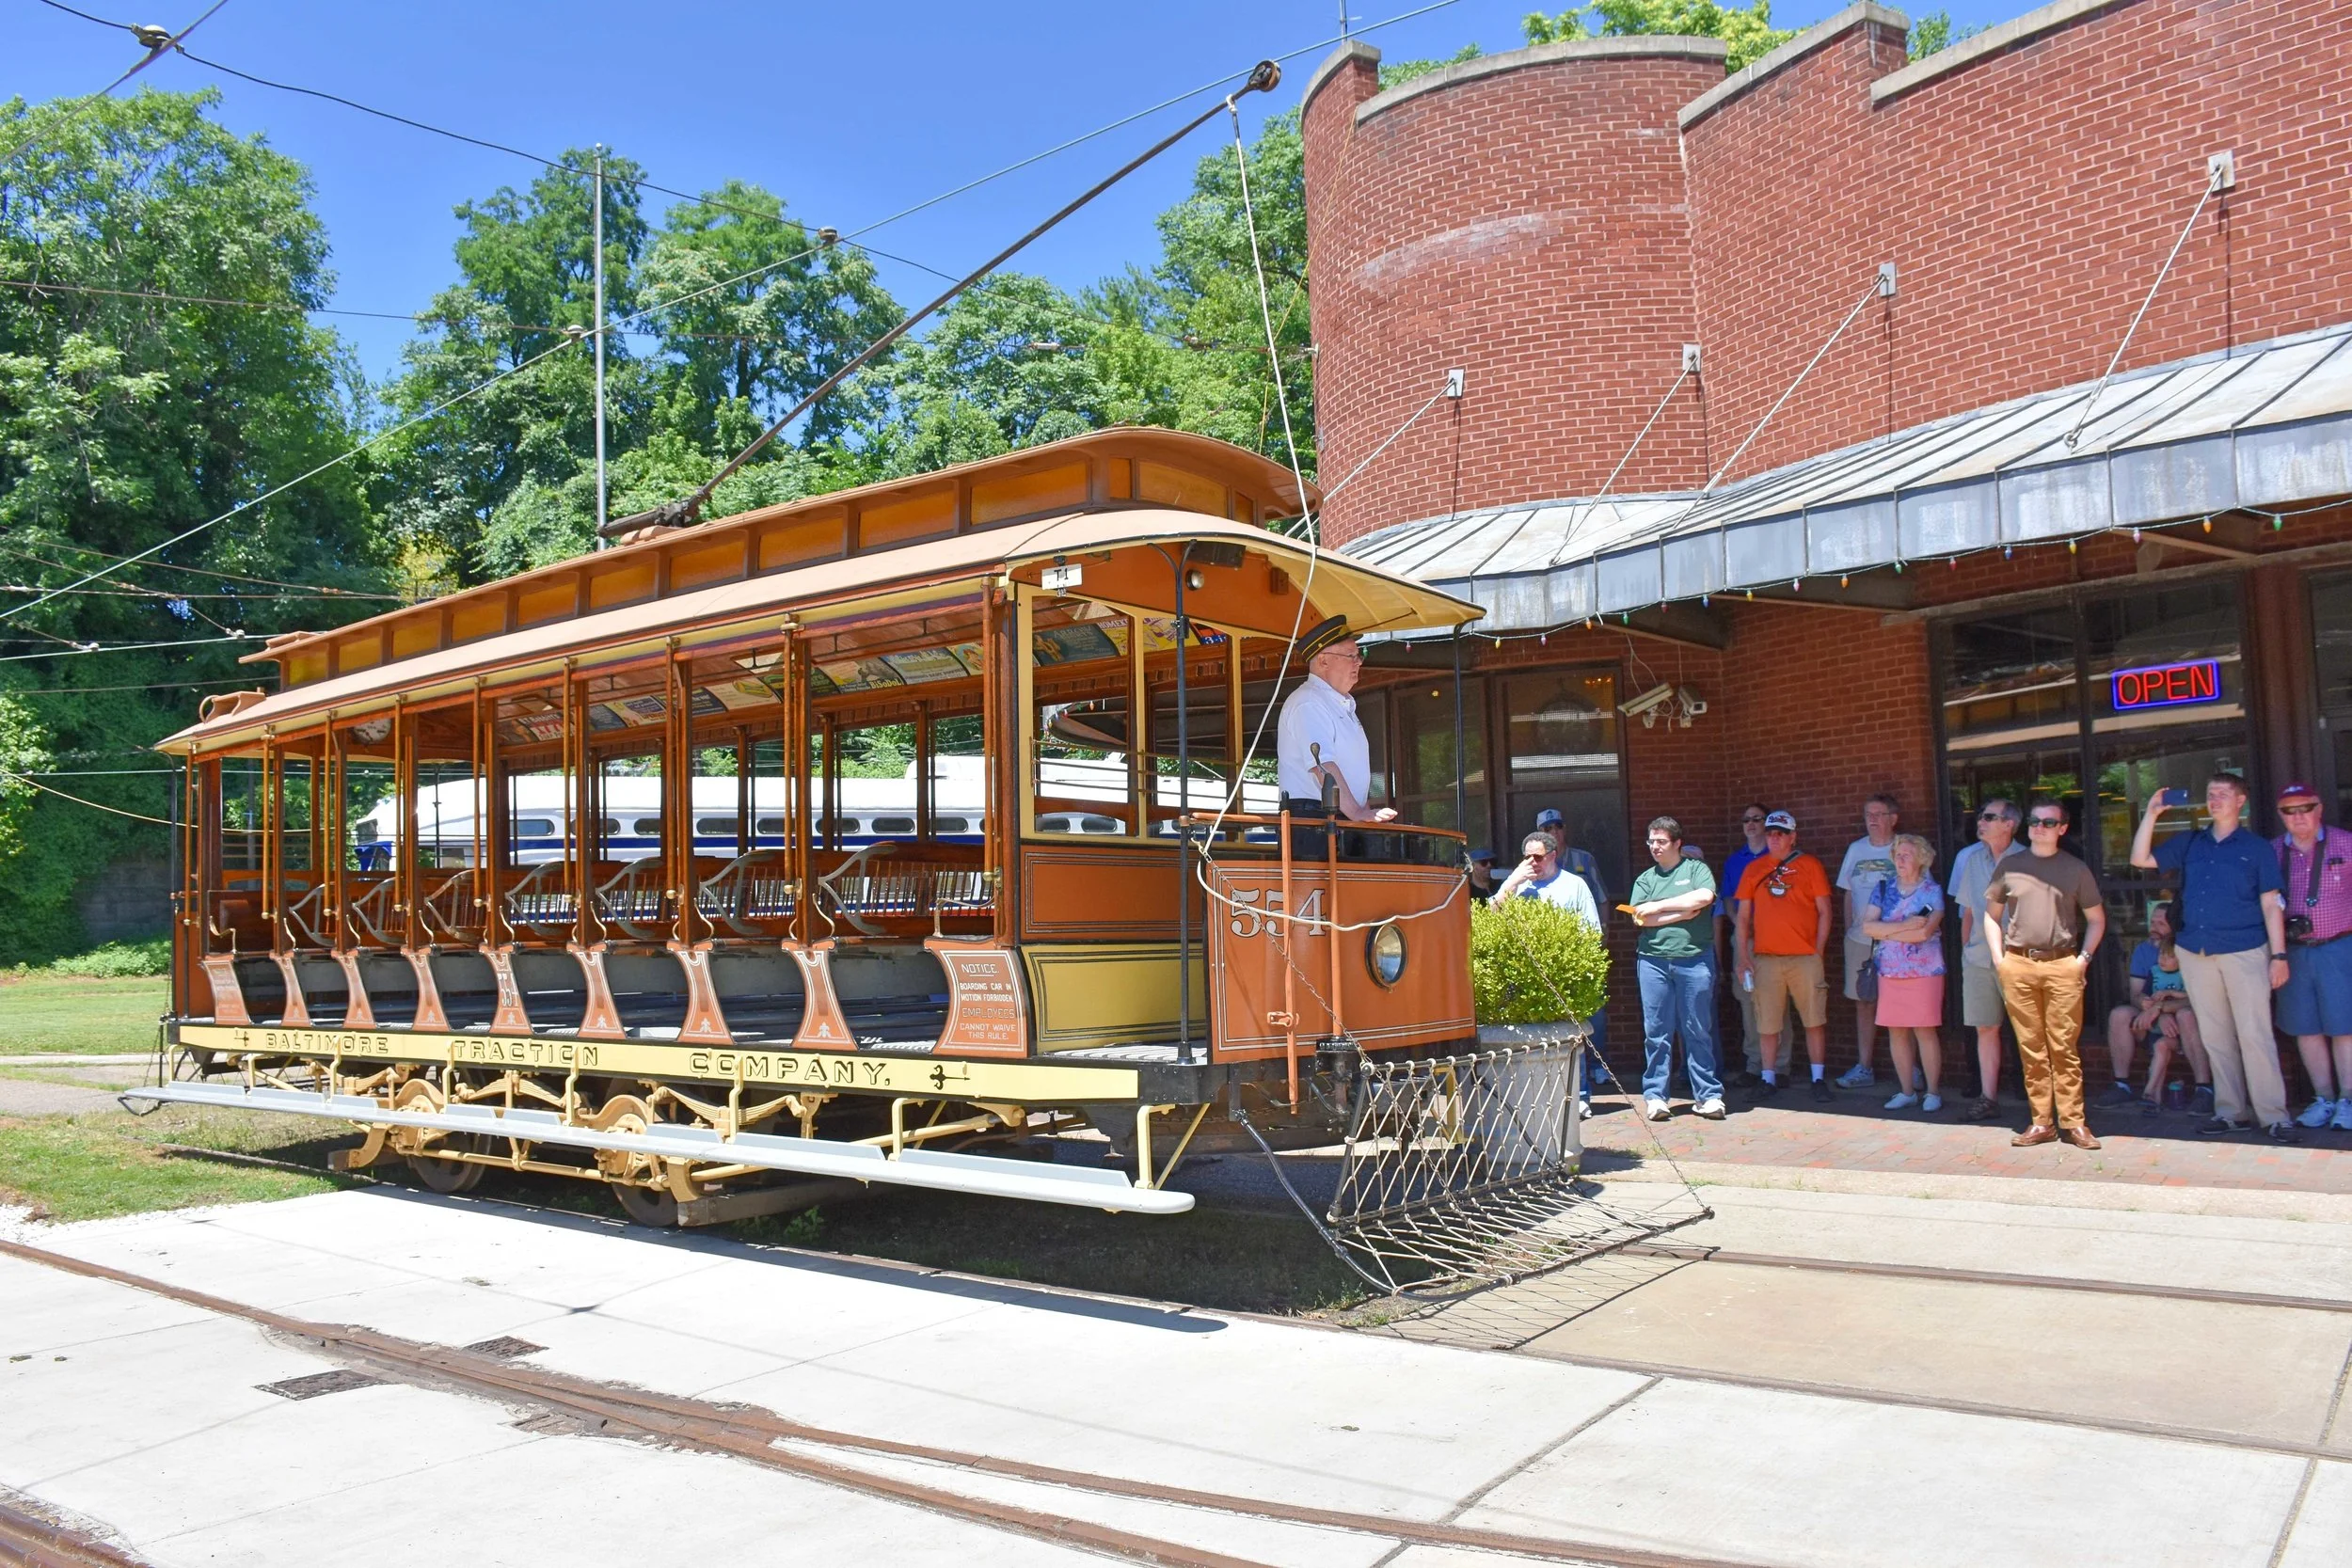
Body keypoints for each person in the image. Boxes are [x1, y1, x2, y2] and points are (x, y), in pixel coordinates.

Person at [2132, 773, 2295, 1142]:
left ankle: (2274, 1117)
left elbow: (2271, 905)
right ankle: (2231, 1112)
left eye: (2224, 794)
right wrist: (2152, 813)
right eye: (2210, 794)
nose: (2215, 799)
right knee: (2216, 1037)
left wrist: (2279, 955)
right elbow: (2140, 858)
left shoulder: (2256, 848)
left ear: (2241, 801)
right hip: (2197, 952)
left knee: (2255, 1034)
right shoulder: (2192, 841)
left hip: (2246, 950)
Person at [1985, 798, 2107, 1149]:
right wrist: (2000, 959)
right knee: (2031, 1047)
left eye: (2049, 823)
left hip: (2062, 964)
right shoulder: (2010, 866)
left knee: (2064, 1046)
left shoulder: (2075, 869)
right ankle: (2041, 1122)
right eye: (2035, 821)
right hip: (2018, 963)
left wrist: (2082, 959)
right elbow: (1990, 915)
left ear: (2062, 829)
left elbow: (2097, 919)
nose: (2040, 827)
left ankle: (2074, 1122)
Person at [1733, 811, 1836, 1101]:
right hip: (1766, 958)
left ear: (1793, 837)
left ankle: (1818, 1078)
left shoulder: (1810, 865)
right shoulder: (1754, 869)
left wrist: (1818, 950)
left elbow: (1825, 910)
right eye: (1770, 833)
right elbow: (1742, 918)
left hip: (1804, 957)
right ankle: (1768, 1078)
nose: (1774, 838)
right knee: (1767, 1022)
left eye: (1780, 833)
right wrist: (1743, 957)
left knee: (1814, 1019)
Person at [1629, 816, 1724, 1121]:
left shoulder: (1696, 869)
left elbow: (1705, 897)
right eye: (1651, 841)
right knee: (1657, 1031)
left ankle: (1708, 1096)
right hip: (1653, 961)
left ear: (1677, 843)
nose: (1655, 847)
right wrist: (1683, 913)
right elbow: (1640, 920)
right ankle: (1656, 1097)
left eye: (1661, 841)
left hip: (1694, 959)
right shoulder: (1645, 880)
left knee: (1697, 1028)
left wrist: (1658, 907)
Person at [2272, 783, 2352, 1132]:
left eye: (2304, 808)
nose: (2298, 816)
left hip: (2338, 946)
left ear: (2319, 809)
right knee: (2306, 1028)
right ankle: (2324, 1099)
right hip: (2292, 952)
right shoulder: (2273, 851)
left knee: (2344, 1027)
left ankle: (2348, 1101)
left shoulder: (2345, 844)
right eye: (2289, 811)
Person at [1276, 616, 1397, 834]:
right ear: (1323, 661)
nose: (1358, 662)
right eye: (1351, 656)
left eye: (1359, 655)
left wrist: (1364, 816)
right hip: (1313, 822)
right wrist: (1358, 814)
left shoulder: (1340, 703)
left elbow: (1352, 773)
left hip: (1339, 817)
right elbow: (1323, 767)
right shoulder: (1309, 701)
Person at [1949, 798, 2025, 1123]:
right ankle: (1988, 1097)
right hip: (1979, 959)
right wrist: (1967, 948)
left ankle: (2040, 1100)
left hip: (2020, 961)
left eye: (1990, 817)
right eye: (1981, 816)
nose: (1981, 821)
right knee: (1985, 1028)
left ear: (2009, 824)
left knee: (2029, 1031)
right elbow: (1967, 910)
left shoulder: (2027, 858)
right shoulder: (1972, 860)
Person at [1860, 832, 1947, 1113]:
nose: (1900, 859)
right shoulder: (1883, 888)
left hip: (1925, 972)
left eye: (1906, 854)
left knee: (1924, 1030)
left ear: (1921, 860)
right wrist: (1905, 925)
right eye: (1897, 854)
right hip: (1890, 971)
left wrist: (1889, 930)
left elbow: (1924, 933)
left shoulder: (1931, 891)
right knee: (1896, 1031)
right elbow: (1868, 928)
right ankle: (1906, 1090)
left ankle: (1932, 1092)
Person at [2104, 900, 2211, 1115]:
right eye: (2152, 922)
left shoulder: (2187, 949)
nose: (2154, 928)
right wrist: (2149, 1009)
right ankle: (2122, 1084)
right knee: (2119, 1014)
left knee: (2186, 1014)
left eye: (2161, 923)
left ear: (2174, 925)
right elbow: (2135, 994)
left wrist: (2162, 1008)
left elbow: (2200, 998)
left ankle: (2204, 1089)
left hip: (2185, 1019)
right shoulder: (2144, 950)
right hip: (2152, 1017)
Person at [1835, 795, 1903, 1090]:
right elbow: (1848, 891)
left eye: (1879, 813)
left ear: (1893, 818)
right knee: (1863, 1003)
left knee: (1900, 1003)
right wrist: (1851, 928)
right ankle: (1865, 1067)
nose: (1873, 819)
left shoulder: (1904, 847)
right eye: (1868, 814)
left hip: (1897, 941)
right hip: (1860, 940)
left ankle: (1908, 1070)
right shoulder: (1856, 849)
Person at [1718, 804, 1775, 1085]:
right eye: (1746, 820)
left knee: (1776, 1001)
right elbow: (1728, 899)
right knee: (1747, 1000)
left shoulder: (1776, 856)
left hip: (1774, 939)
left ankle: (1780, 1066)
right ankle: (1755, 1065)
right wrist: (1739, 923)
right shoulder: (1734, 860)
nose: (1751, 824)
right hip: (1744, 940)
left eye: (1757, 819)